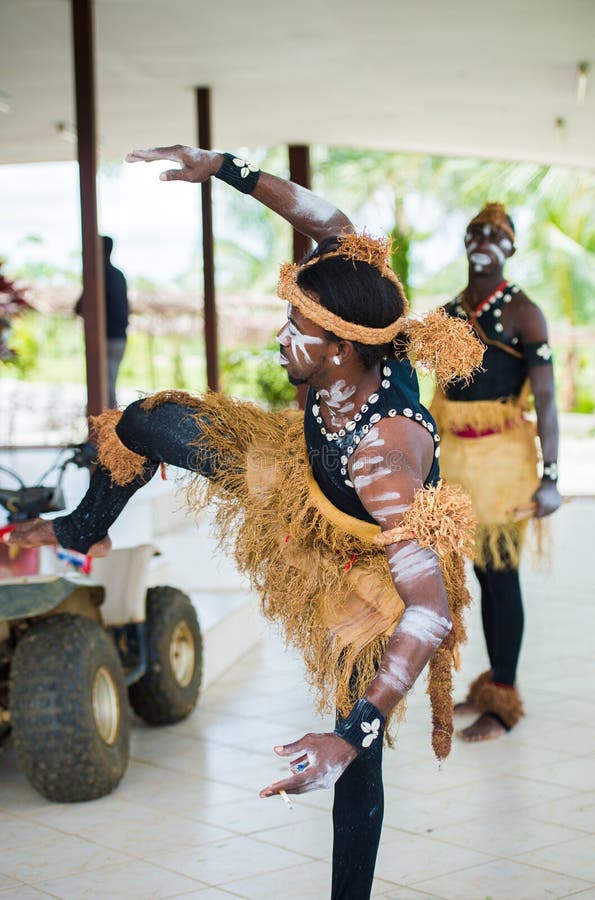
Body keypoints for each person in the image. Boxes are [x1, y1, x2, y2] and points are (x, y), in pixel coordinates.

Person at [6, 146, 481, 898]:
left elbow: (430, 612)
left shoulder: (384, 464)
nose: (278, 338)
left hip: (365, 566)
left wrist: (347, 735)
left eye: (296, 329)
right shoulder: (359, 312)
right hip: (295, 473)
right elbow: (331, 220)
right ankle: (81, 528)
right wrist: (224, 168)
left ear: (339, 348)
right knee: (146, 420)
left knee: (358, 752)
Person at [430, 202, 561, 743]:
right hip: (457, 460)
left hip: (505, 460)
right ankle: (491, 684)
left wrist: (551, 475)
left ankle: (503, 701)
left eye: (496, 235)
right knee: (480, 576)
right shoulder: (447, 312)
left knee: (501, 577)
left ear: (511, 249)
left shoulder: (525, 312)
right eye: (475, 232)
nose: (484, 240)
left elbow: (548, 399)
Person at [76, 235, 129, 407]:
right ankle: (108, 423)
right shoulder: (119, 275)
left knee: (104, 385)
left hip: (106, 338)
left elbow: (79, 307)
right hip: (120, 337)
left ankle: (108, 426)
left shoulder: (98, 275)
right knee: (109, 382)